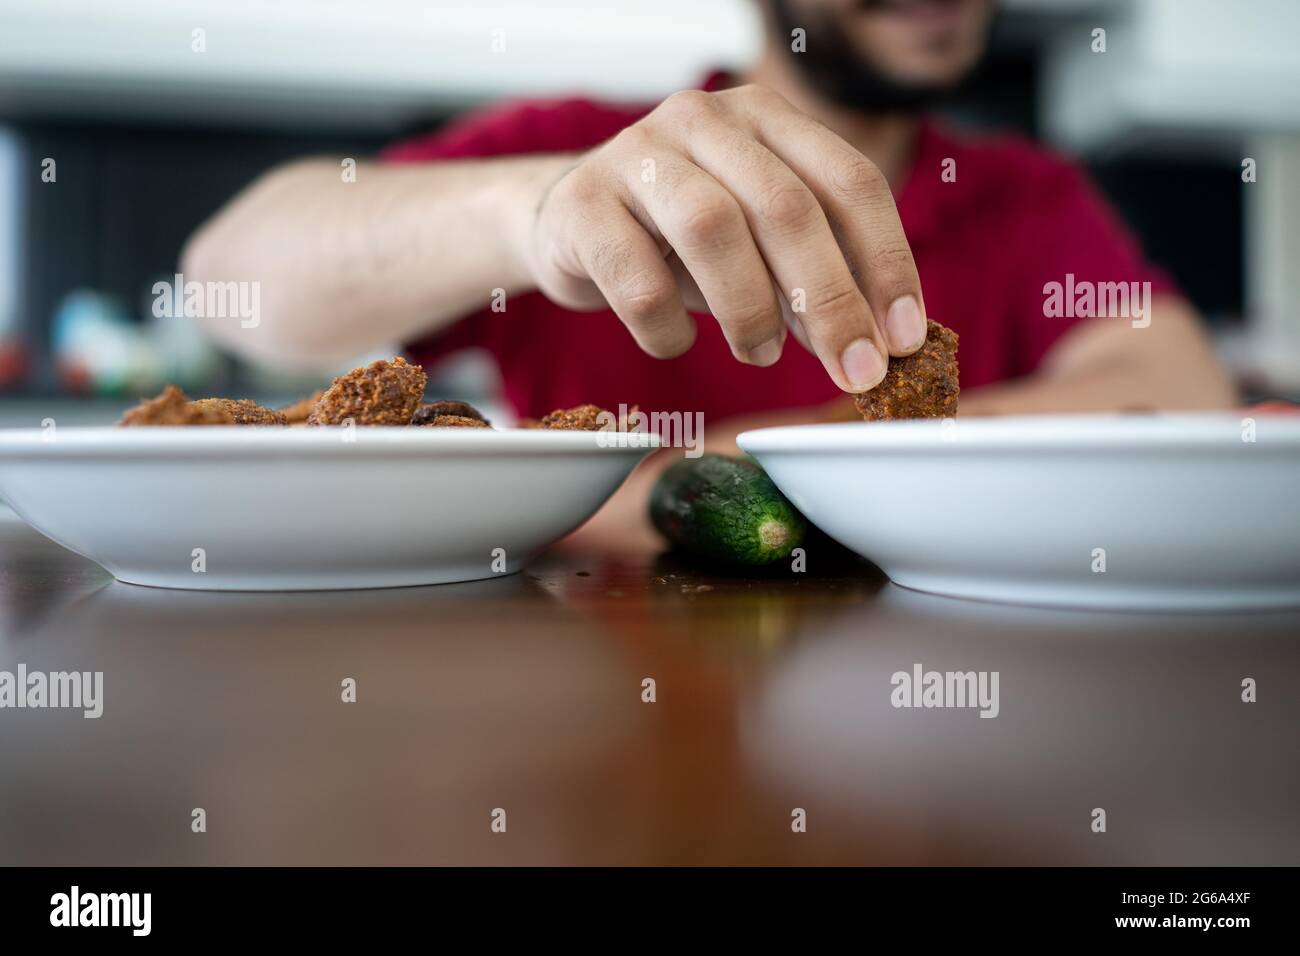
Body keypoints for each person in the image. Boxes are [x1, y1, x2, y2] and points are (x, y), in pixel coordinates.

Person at [183, 0, 1236, 540]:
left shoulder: (1027, 193)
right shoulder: (583, 142)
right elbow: (230, 279)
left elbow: (1182, 396)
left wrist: (738, 464)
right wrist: (533, 209)